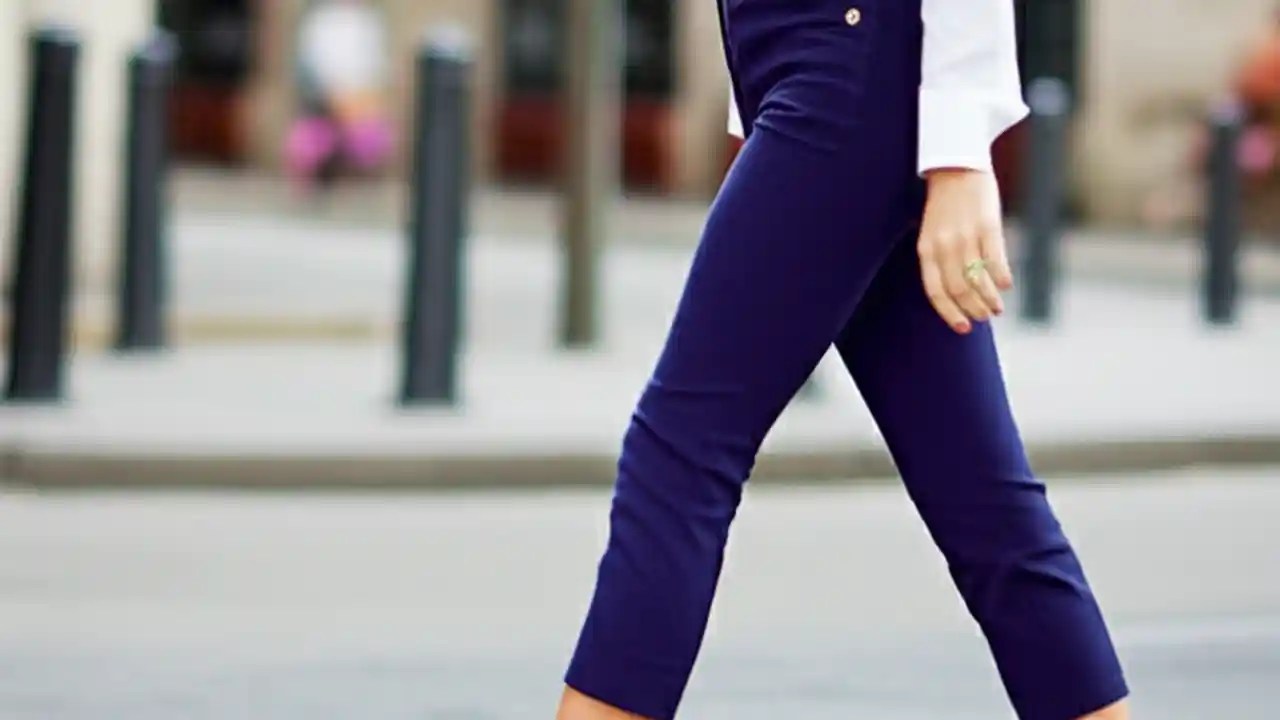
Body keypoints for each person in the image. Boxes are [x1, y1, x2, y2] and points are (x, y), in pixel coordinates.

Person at [555, 1, 1132, 719]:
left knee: (680, 448)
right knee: (984, 505)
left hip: (845, 72)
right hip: (826, 73)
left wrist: (960, 153)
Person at [286, 0, 394, 192]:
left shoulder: (367, 21)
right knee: (312, 135)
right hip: (322, 98)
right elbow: (315, 66)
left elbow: (373, 67)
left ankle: (359, 177)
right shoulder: (321, 20)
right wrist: (334, 96)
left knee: (371, 130)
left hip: (358, 97)